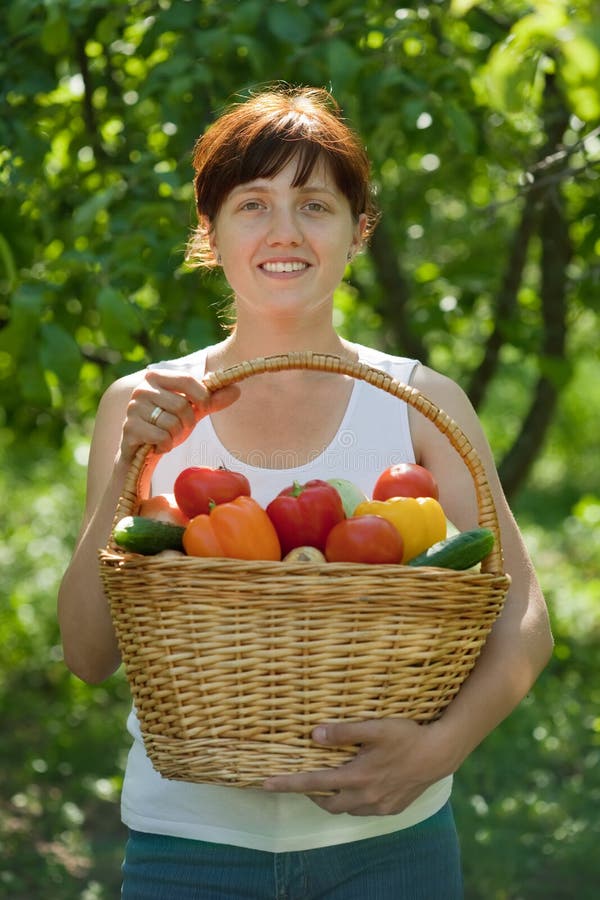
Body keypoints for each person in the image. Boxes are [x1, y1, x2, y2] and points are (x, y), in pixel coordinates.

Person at [58, 84, 553, 899]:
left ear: (358, 232)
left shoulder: (420, 403)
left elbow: (526, 620)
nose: (284, 232)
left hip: (391, 845)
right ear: (209, 232)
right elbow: (88, 656)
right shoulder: (142, 403)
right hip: (191, 848)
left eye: (314, 204)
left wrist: (441, 749)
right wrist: (128, 472)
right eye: (252, 204)